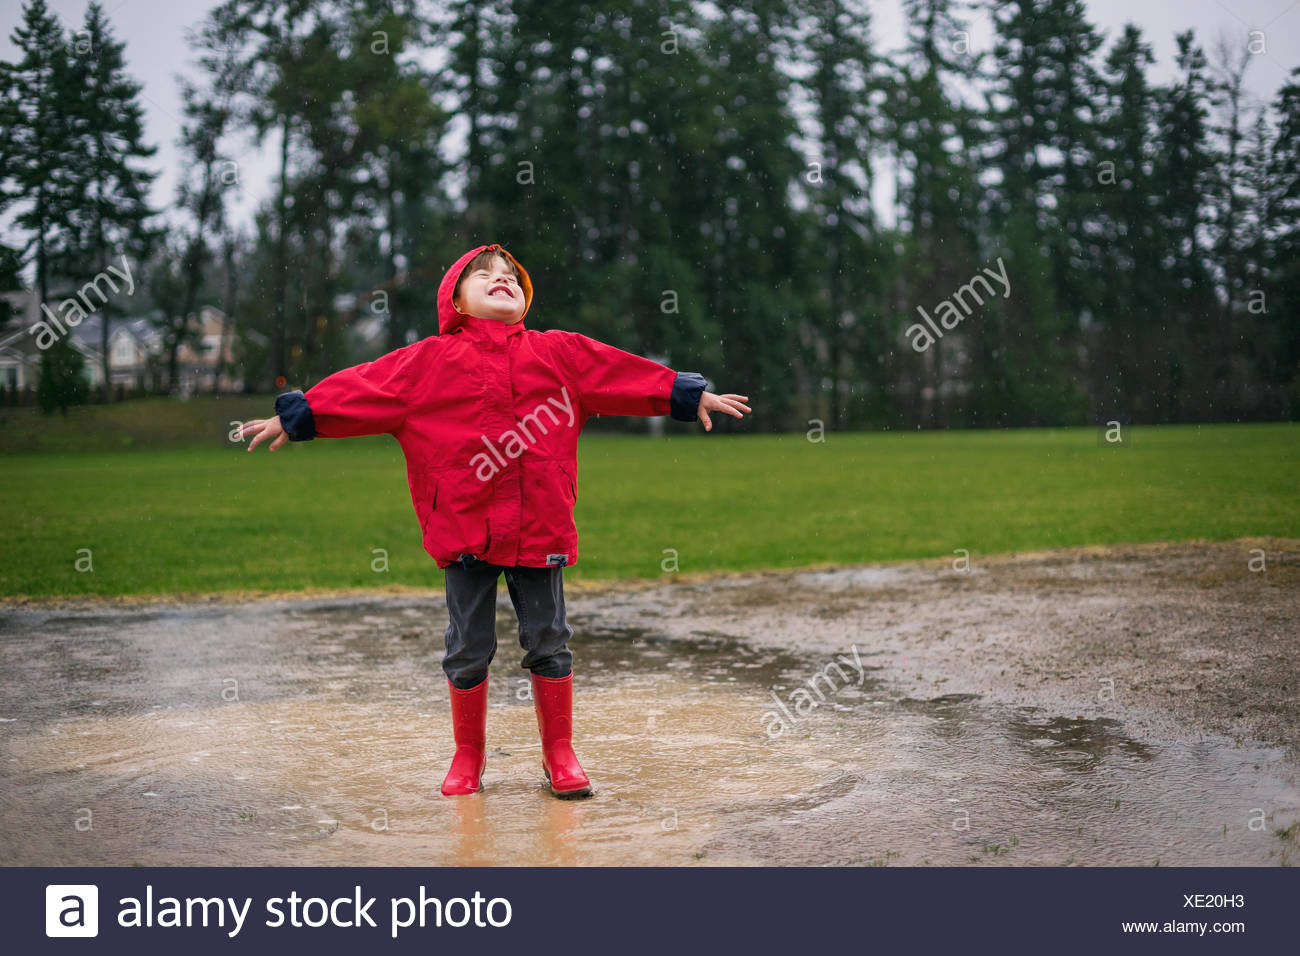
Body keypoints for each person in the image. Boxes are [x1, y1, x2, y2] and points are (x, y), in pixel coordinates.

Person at [239, 243, 751, 798]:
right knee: (466, 648)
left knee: (550, 641)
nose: (500, 279)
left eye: (510, 275)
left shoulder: (559, 354)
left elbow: (619, 372)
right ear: (455, 299)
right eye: (483, 274)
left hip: (539, 528)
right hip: (463, 532)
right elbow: (365, 388)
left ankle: (560, 754)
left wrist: (685, 393)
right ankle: (468, 756)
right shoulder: (425, 363)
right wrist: (301, 413)